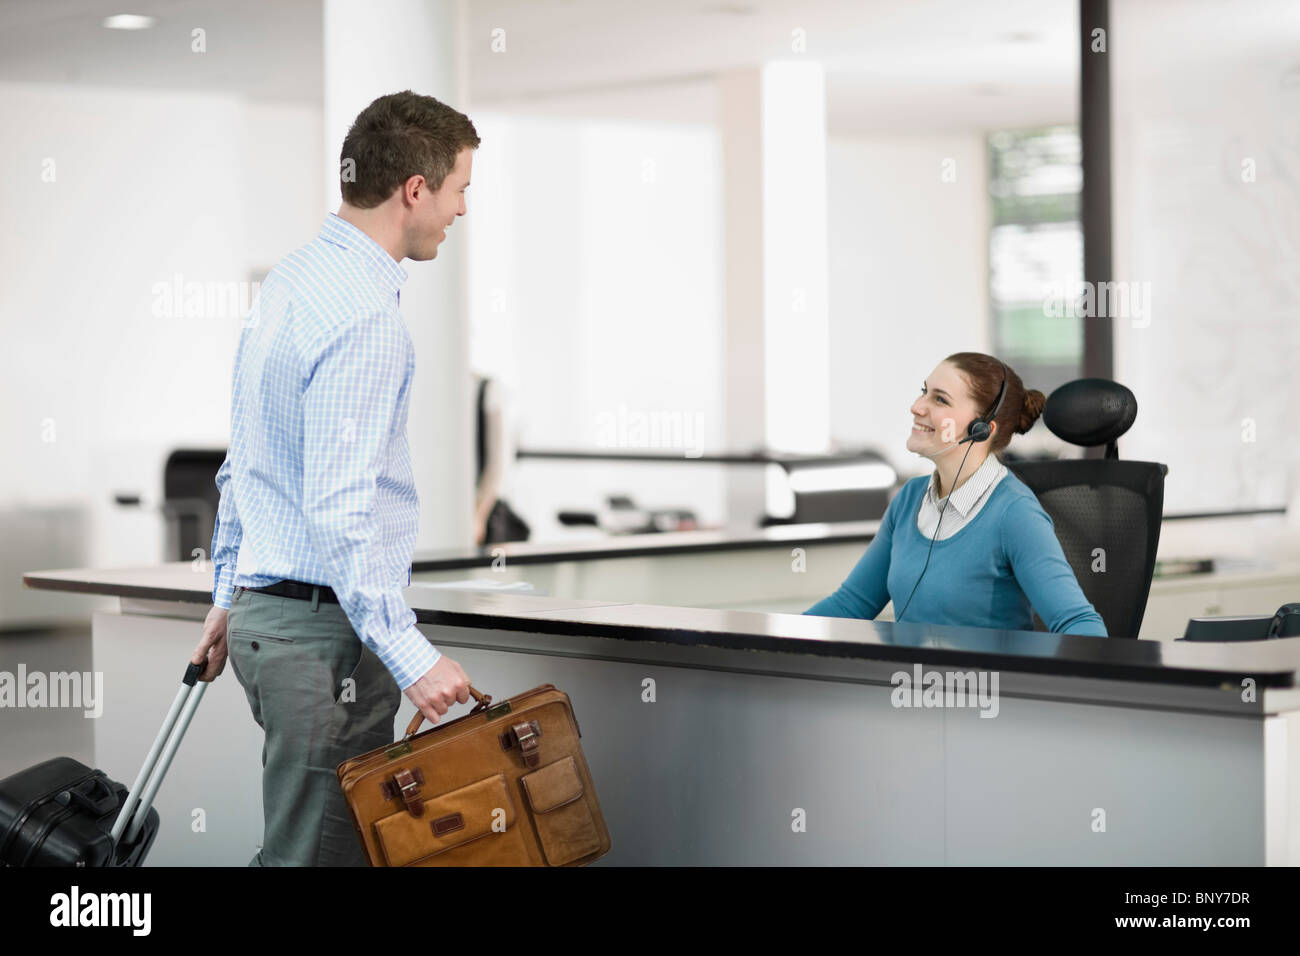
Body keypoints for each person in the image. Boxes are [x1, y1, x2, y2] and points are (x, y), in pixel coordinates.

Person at [187, 90, 479, 866]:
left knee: (302, 849)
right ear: (414, 190)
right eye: (459, 191)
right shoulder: (364, 317)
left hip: (271, 619)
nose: (459, 211)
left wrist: (229, 594)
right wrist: (411, 655)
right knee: (317, 860)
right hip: (322, 642)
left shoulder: (290, 282)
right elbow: (339, 511)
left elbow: (244, 460)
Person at [805, 352, 1107, 637]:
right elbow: (849, 605)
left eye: (939, 399)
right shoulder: (909, 499)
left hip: (987, 690)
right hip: (911, 687)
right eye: (924, 391)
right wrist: (768, 641)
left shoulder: (1015, 514)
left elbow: (1079, 624)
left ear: (981, 430)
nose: (917, 406)